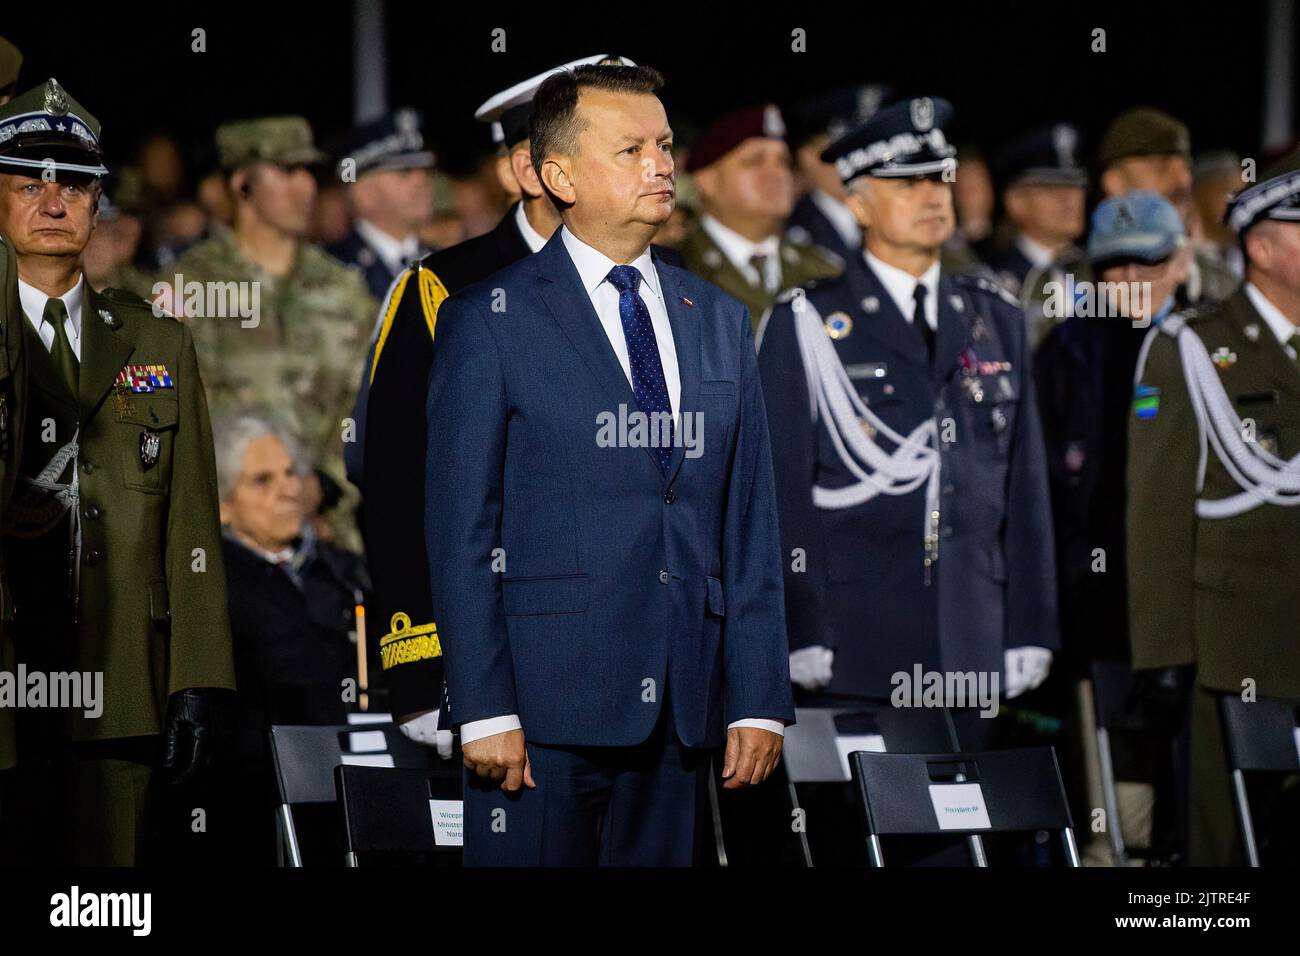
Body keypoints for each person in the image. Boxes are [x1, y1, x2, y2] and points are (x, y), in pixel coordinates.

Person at [426, 61, 794, 866]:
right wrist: (483, 708)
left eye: (663, 145)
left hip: (683, 710)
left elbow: (749, 520)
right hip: (538, 717)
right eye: (630, 149)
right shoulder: (488, 321)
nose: (661, 165)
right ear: (557, 174)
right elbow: (460, 528)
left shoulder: (720, 320)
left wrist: (760, 698)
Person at [355, 55, 630, 738]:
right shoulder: (445, 289)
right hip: (505, 654)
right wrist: (423, 662)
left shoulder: (665, 284)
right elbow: (396, 480)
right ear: (532, 171)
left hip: (643, 650)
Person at [758, 94, 1058, 716]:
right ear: (859, 203)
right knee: (865, 813)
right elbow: (782, 489)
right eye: (905, 184)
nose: (932, 198)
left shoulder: (994, 315)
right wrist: (801, 622)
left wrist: (1031, 622)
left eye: (939, 179)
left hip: (976, 633)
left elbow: (1026, 485)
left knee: (977, 812)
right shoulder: (809, 321)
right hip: (859, 638)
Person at [0, 79, 235, 865]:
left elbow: (190, 523)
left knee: (107, 904)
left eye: (73, 184)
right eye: (28, 182)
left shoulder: (156, 343)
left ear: (100, 205)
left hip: (123, 684)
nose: (53, 201)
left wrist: (198, 676)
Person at [1127, 149, 1300, 865]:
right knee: (1222, 854)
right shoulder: (1193, 347)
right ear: (1260, 247)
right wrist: (1164, 657)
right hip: (1235, 649)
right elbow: (1156, 515)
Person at [1034, 191, 1190, 862]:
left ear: (1182, 260)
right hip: (1106, 615)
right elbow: (1043, 488)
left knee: (1203, 807)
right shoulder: (1067, 350)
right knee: (1120, 824)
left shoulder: (1211, 344)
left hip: (1201, 607)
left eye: (1148, 262)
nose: (1130, 280)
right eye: (1115, 265)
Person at [158, 116, 377, 549]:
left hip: (328, 536)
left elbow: (364, 405)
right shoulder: (188, 285)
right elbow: (170, 410)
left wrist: (324, 486)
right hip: (220, 536)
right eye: (287, 172)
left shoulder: (343, 288)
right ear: (243, 185)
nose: (306, 188)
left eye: (309, 174)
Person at [680, 104, 841, 327]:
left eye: (783, 162)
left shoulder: (824, 269)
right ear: (706, 181)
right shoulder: (676, 265)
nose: (777, 174)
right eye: (754, 161)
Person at [326, 109, 436, 301]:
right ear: (364, 194)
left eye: (425, 171)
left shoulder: (443, 262)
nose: (421, 181)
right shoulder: (331, 268)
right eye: (405, 172)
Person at [784, 85, 889, 262]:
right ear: (809, 158)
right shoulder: (789, 232)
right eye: (848, 149)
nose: (865, 159)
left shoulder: (894, 218)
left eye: (872, 146)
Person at [985, 124, 1087, 298]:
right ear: (1016, 201)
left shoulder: (1101, 273)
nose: (1069, 198)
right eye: (1051, 188)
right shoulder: (992, 283)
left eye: (1076, 185)